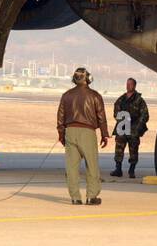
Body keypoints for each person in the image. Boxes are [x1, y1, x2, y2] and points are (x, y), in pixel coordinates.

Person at [57, 66, 109, 205]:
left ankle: (75, 197)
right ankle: (91, 196)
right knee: (92, 165)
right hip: (88, 132)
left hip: (70, 131)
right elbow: (101, 117)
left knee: (72, 167)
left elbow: (60, 118)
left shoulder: (66, 95)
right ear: (88, 78)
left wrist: (61, 134)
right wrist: (104, 134)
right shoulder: (95, 96)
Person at [110, 77, 150, 178]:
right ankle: (118, 169)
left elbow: (145, 115)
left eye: (130, 84)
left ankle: (131, 170)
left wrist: (138, 127)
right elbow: (116, 111)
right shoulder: (121, 99)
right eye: (127, 84)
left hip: (133, 128)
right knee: (119, 148)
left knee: (133, 150)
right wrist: (121, 119)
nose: (128, 86)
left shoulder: (139, 100)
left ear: (134, 86)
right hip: (122, 127)